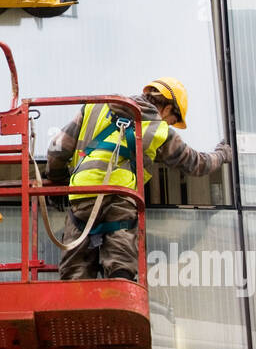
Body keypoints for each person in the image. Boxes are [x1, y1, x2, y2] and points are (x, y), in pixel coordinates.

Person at [46, 77, 233, 282]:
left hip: (82, 193)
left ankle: (74, 298)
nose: (170, 124)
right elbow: (197, 163)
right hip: (119, 195)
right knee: (121, 248)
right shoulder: (158, 130)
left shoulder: (94, 108)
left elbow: (57, 147)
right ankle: (121, 285)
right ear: (168, 108)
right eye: (173, 119)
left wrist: (58, 181)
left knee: (75, 263)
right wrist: (223, 154)